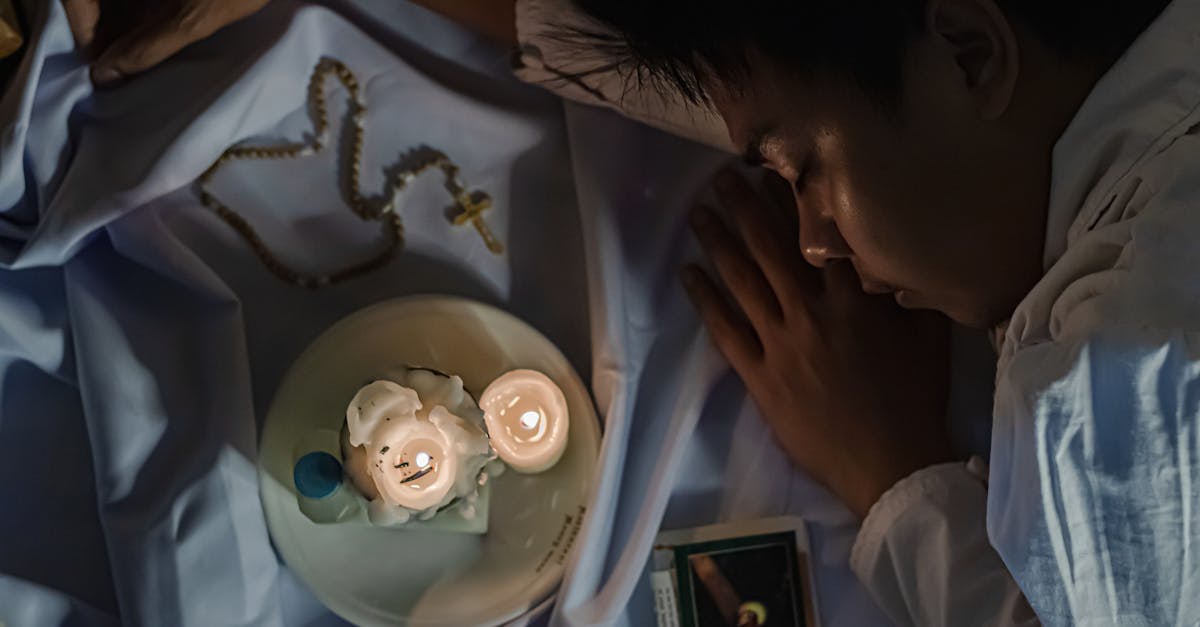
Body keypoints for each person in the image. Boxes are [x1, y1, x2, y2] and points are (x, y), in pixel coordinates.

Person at [58, 0, 1200, 625]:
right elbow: (769, 69)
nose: (811, 239)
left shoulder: (1120, 373)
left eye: (804, 172)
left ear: (966, 43)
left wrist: (895, 475)